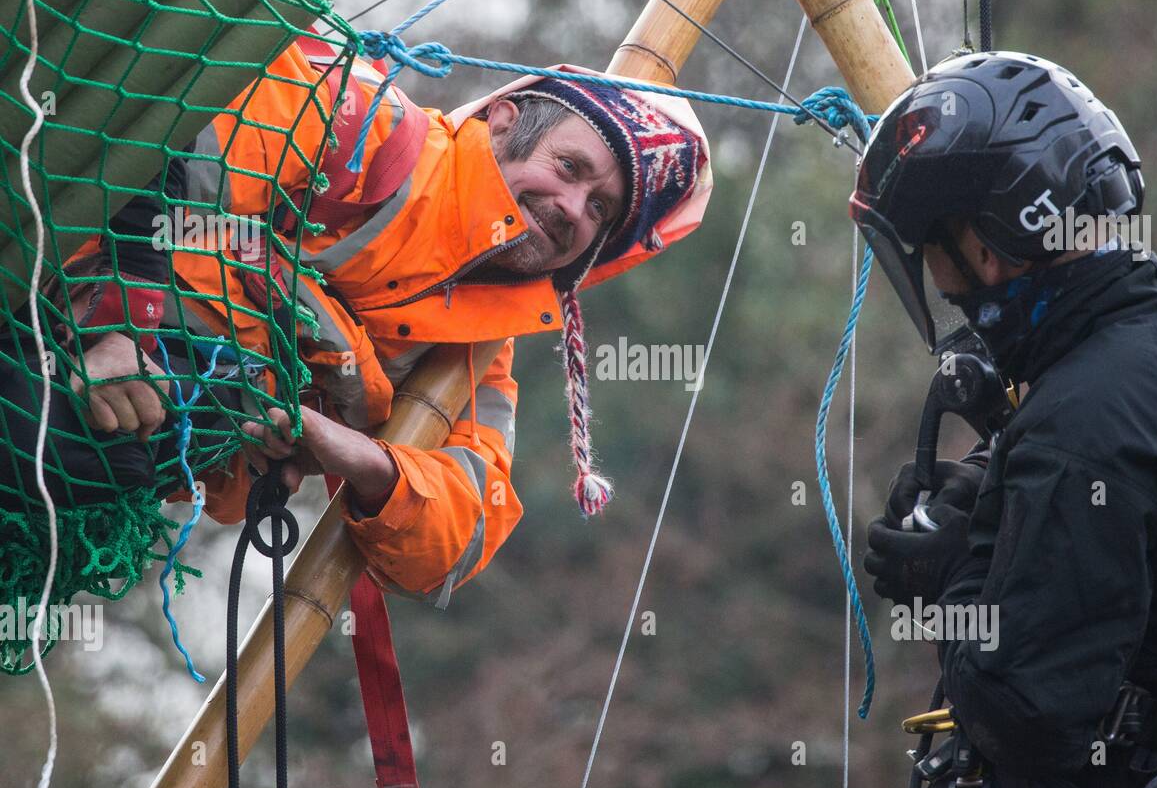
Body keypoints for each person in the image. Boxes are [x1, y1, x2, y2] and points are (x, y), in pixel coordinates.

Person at [62, 37, 711, 606]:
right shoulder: (363, 120)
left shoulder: (480, 347)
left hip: (146, 449)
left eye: (601, 208)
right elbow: (180, 143)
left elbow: (465, 535)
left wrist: (366, 461)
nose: (572, 206)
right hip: (59, 327)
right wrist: (122, 330)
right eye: (569, 168)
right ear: (504, 120)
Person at [851, 50, 1157, 788]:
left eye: (935, 251)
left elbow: (1021, 716)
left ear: (988, 250)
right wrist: (994, 496)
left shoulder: (1082, 423)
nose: (940, 281)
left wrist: (951, 575)